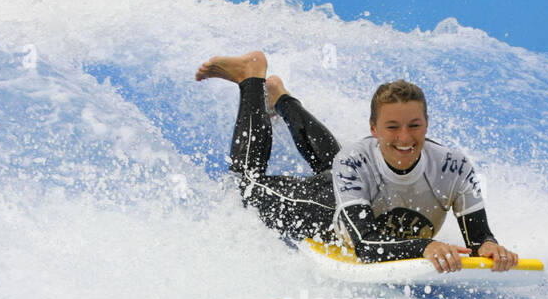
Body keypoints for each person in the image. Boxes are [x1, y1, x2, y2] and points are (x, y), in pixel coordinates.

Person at [195, 50, 520, 274]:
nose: (405, 138)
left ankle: (279, 97)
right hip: (324, 208)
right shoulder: (354, 161)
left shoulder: (454, 167)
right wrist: (425, 246)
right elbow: (364, 245)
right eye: (392, 127)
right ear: (373, 129)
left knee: (333, 165)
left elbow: (478, 238)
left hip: (354, 185)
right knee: (243, 185)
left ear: (427, 123)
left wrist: (491, 247)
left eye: (414, 126)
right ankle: (251, 76)